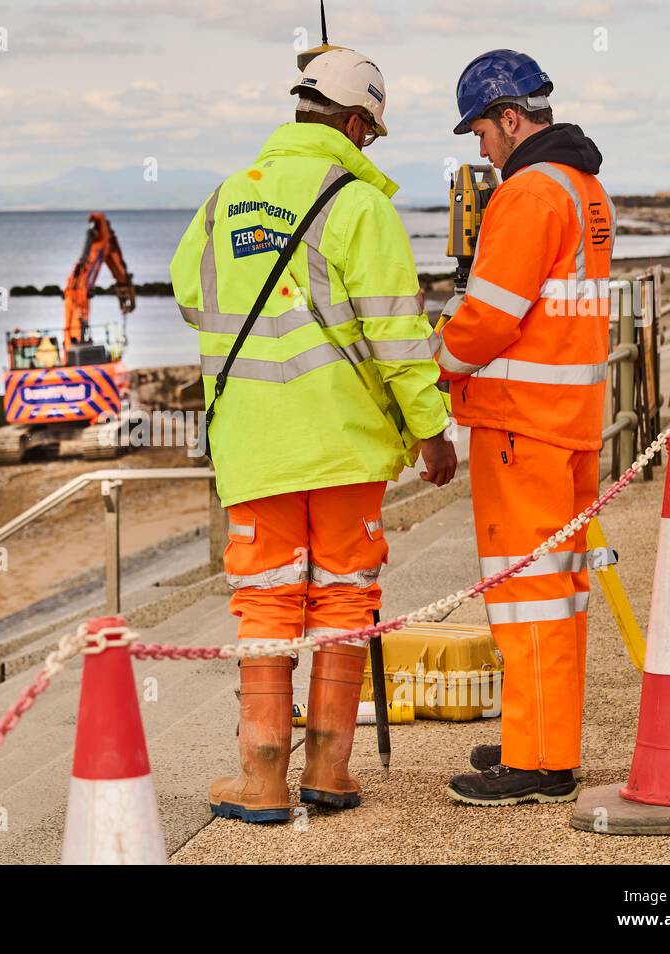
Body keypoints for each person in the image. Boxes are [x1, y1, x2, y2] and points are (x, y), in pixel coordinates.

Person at [170, 47, 456, 823]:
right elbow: (400, 340)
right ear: (358, 122)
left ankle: (261, 780)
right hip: (345, 446)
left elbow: (191, 297)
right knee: (344, 599)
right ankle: (330, 772)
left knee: (265, 603)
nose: (370, 148)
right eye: (372, 134)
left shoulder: (226, 198)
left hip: (255, 445)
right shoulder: (361, 207)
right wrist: (432, 434)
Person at [435, 50, 614, 806]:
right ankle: (540, 736)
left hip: (519, 428)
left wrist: (436, 365)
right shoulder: (585, 188)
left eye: (480, 130)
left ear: (511, 117)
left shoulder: (526, 195)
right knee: (560, 593)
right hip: (570, 422)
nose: (479, 147)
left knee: (526, 596)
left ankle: (538, 764)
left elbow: (488, 320)